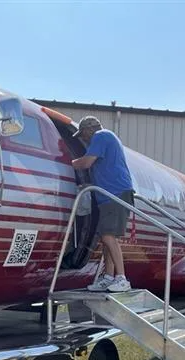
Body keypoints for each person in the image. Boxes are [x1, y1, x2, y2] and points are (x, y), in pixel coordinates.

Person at [71, 116, 134, 293]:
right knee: (107, 237)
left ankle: (121, 278)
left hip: (115, 193)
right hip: (110, 195)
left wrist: (67, 163)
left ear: (89, 130)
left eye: (82, 134)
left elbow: (87, 162)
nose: (83, 139)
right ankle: (108, 277)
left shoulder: (101, 136)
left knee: (107, 236)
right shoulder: (108, 138)